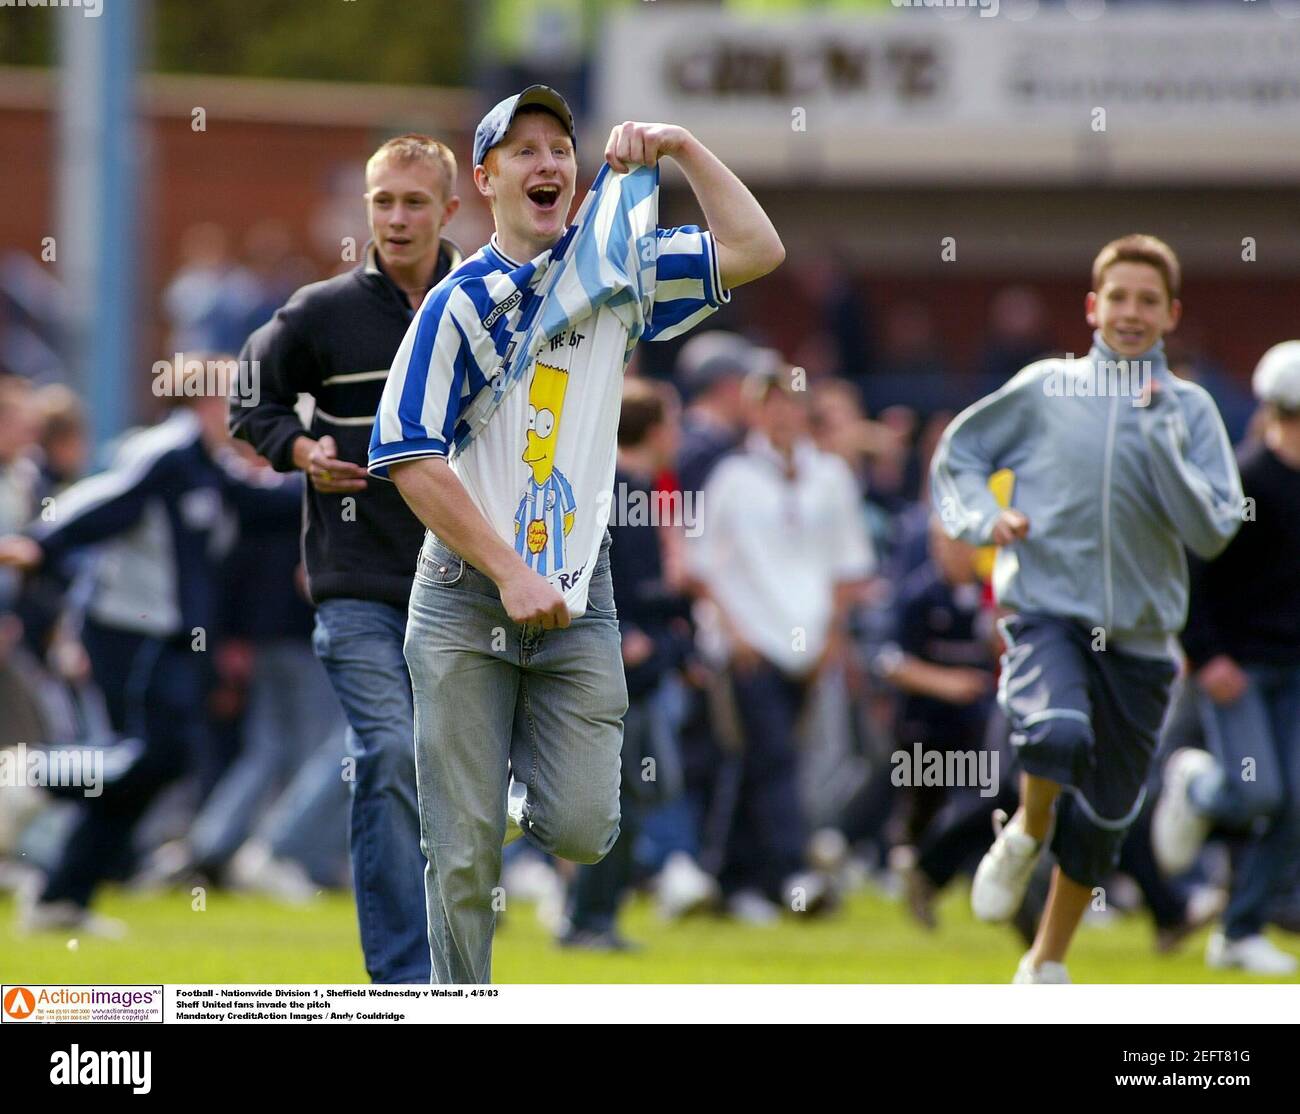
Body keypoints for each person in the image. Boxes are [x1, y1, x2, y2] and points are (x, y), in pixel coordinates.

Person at [368, 85, 784, 983]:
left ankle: (501, 786)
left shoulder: (615, 273)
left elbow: (757, 250)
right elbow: (407, 458)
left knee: (587, 829)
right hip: (463, 595)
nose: (547, 162)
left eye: (560, 147)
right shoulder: (455, 306)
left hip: (579, 591)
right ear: (485, 179)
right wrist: (509, 570)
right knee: (466, 853)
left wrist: (683, 146)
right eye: (522, 151)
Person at [930, 234, 1244, 983]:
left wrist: (1164, 445)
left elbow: (1214, 529)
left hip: (1141, 640)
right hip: (1047, 613)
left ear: (1170, 315)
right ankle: (1024, 834)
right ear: (1091, 306)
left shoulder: (1193, 411)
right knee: (1057, 733)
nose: (1131, 313)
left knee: (1106, 819)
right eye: (1118, 298)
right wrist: (985, 520)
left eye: (1147, 301)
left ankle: (1044, 963)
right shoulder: (1044, 389)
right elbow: (960, 457)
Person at [229, 134, 462, 983]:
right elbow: (249, 399)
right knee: (390, 755)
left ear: (449, 211)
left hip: (467, 587)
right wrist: (299, 451)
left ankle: (455, 969)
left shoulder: (490, 301)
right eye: (382, 201)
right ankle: (402, 981)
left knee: (463, 784)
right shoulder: (321, 311)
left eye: (413, 202)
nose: (396, 218)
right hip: (356, 588)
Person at [0, 364, 240, 933]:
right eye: (232, 394)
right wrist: (41, 544)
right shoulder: (167, 452)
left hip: (165, 637)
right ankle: (30, 775)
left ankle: (62, 899)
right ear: (202, 401)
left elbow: (257, 503)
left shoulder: (208, 464)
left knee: (157, 762)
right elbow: (105, 499)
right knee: (149, 754)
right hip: (127, 631)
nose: (241, 408)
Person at [689, 361, 875, 920]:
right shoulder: (732, 478)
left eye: (791, 402)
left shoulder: (832, 479)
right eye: (771, 403)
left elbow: (848, 569)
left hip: (809, 645)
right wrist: (733, 632)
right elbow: (703, 566)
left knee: (764, 761)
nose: (783, 414)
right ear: (755, 410)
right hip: (750, 646)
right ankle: (794, 874)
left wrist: (831, 641)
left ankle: (732, 878)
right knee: (772, 757)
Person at [1152, 340, 1300, 976]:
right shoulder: (1242, 483)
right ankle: (1196, 784)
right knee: (1257, 791)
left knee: (1296, 802)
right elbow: (1192, 574)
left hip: (1295, 673)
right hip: (1239, 672)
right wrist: (1205, 654)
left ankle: (1238, 931)